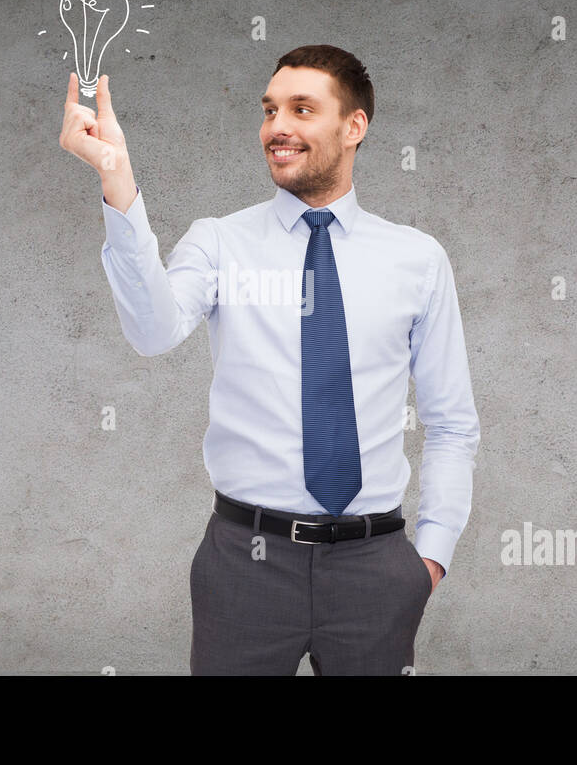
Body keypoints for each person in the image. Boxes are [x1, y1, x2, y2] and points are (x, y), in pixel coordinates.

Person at [59, 44, 481, 675]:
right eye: (270, 110)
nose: (277, 127)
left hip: (376, 566)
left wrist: (431, 558)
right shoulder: (220, 242)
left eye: (302, 109)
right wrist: (115, 175)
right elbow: (152, 330)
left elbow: (451, 423)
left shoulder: (417, 260)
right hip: (245, 564)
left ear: (354, 126)